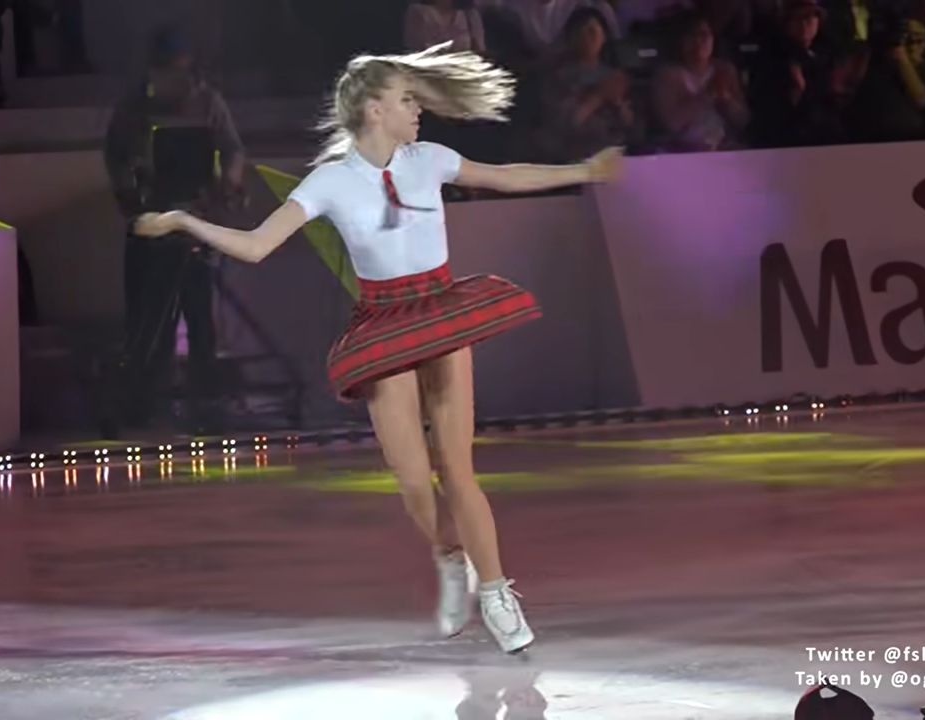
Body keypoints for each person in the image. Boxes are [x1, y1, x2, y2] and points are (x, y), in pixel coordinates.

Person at [134, 41, 621, 654]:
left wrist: (584, 171)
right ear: (372, 110)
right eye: (407, 100)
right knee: (414, 481)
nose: (417, 110)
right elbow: (258, 246)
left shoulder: (430, 158)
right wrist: (183, 221)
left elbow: (506, 176)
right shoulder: (332, 182)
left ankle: (496, 590)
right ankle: (450, 557)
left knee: (458, 470)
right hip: (383, 326)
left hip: (440, 313)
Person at [105, 27, 246, 431]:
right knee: (148, 318)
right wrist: (133, 200)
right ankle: (142, 401)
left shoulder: (208, 102)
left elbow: (232, 149)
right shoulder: (134, 107)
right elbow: (117, 158)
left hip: (196, 224)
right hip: (151, 226)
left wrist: (227, 186)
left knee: (200, 316)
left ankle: (206, 405)